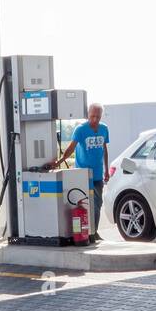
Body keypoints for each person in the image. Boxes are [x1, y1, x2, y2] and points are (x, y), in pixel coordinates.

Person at [48, 102, 110, 242]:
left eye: (98, 117)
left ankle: (94, 232)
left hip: (98, 173)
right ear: (88, 115)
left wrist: (106, 169)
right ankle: (86, 233)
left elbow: (104, 149)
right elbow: (71, 148)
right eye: (92, 116)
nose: (95, 120)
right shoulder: (80, 130)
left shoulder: (104, 128)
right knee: (85, 204)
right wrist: (59, 161)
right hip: (82, 174)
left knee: (97, 204)